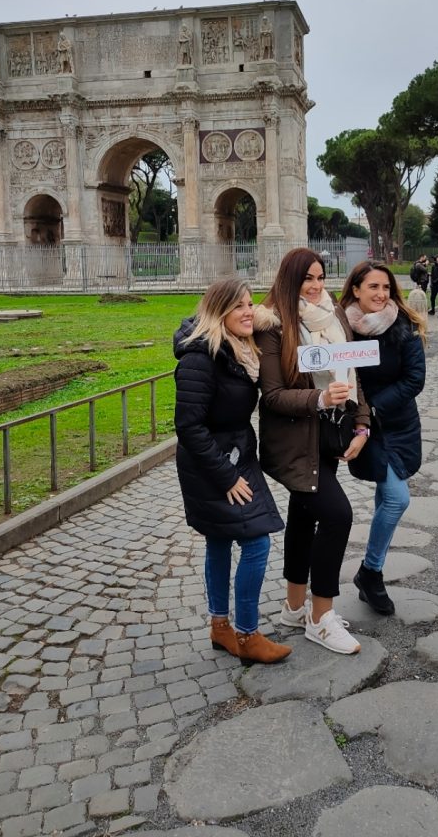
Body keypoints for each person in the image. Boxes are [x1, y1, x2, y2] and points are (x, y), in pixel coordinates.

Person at [254, 248, 370, 655]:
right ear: (289, 280)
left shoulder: (333, 313)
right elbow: (271, 396)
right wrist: (319, 399)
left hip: (333, 433)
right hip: (295, 440)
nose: (316, 286)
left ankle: (292, 606)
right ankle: (320, 619)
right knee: (338, 516)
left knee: (304, 516)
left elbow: (353, 371)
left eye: (320, 277)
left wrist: (362, 423)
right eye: (307, 279)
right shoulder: (271, 324)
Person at [173, 279, 291, 666]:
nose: (248, 312)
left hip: (238, 454)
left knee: (220, 541)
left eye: (249, 304)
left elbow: (280, 314)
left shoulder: (240, 350)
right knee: (256, 543)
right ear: (218, 311)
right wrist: (226, 476)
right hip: (213, 464)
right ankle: (247, 634)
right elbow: (189, 427)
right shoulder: (200, 357)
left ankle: (220, 627)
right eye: (237, 306)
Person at [340, 261, 426, 615]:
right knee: (396, 499)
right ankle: (371, 573)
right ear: (356, 289)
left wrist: (374, 407)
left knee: (388, 497)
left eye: (386, 288)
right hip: (363, 427)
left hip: (398, 423)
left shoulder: (402, 326)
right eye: (373, 287)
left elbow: (414, 379)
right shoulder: (340, 329)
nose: (380, 294)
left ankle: (369, 572)